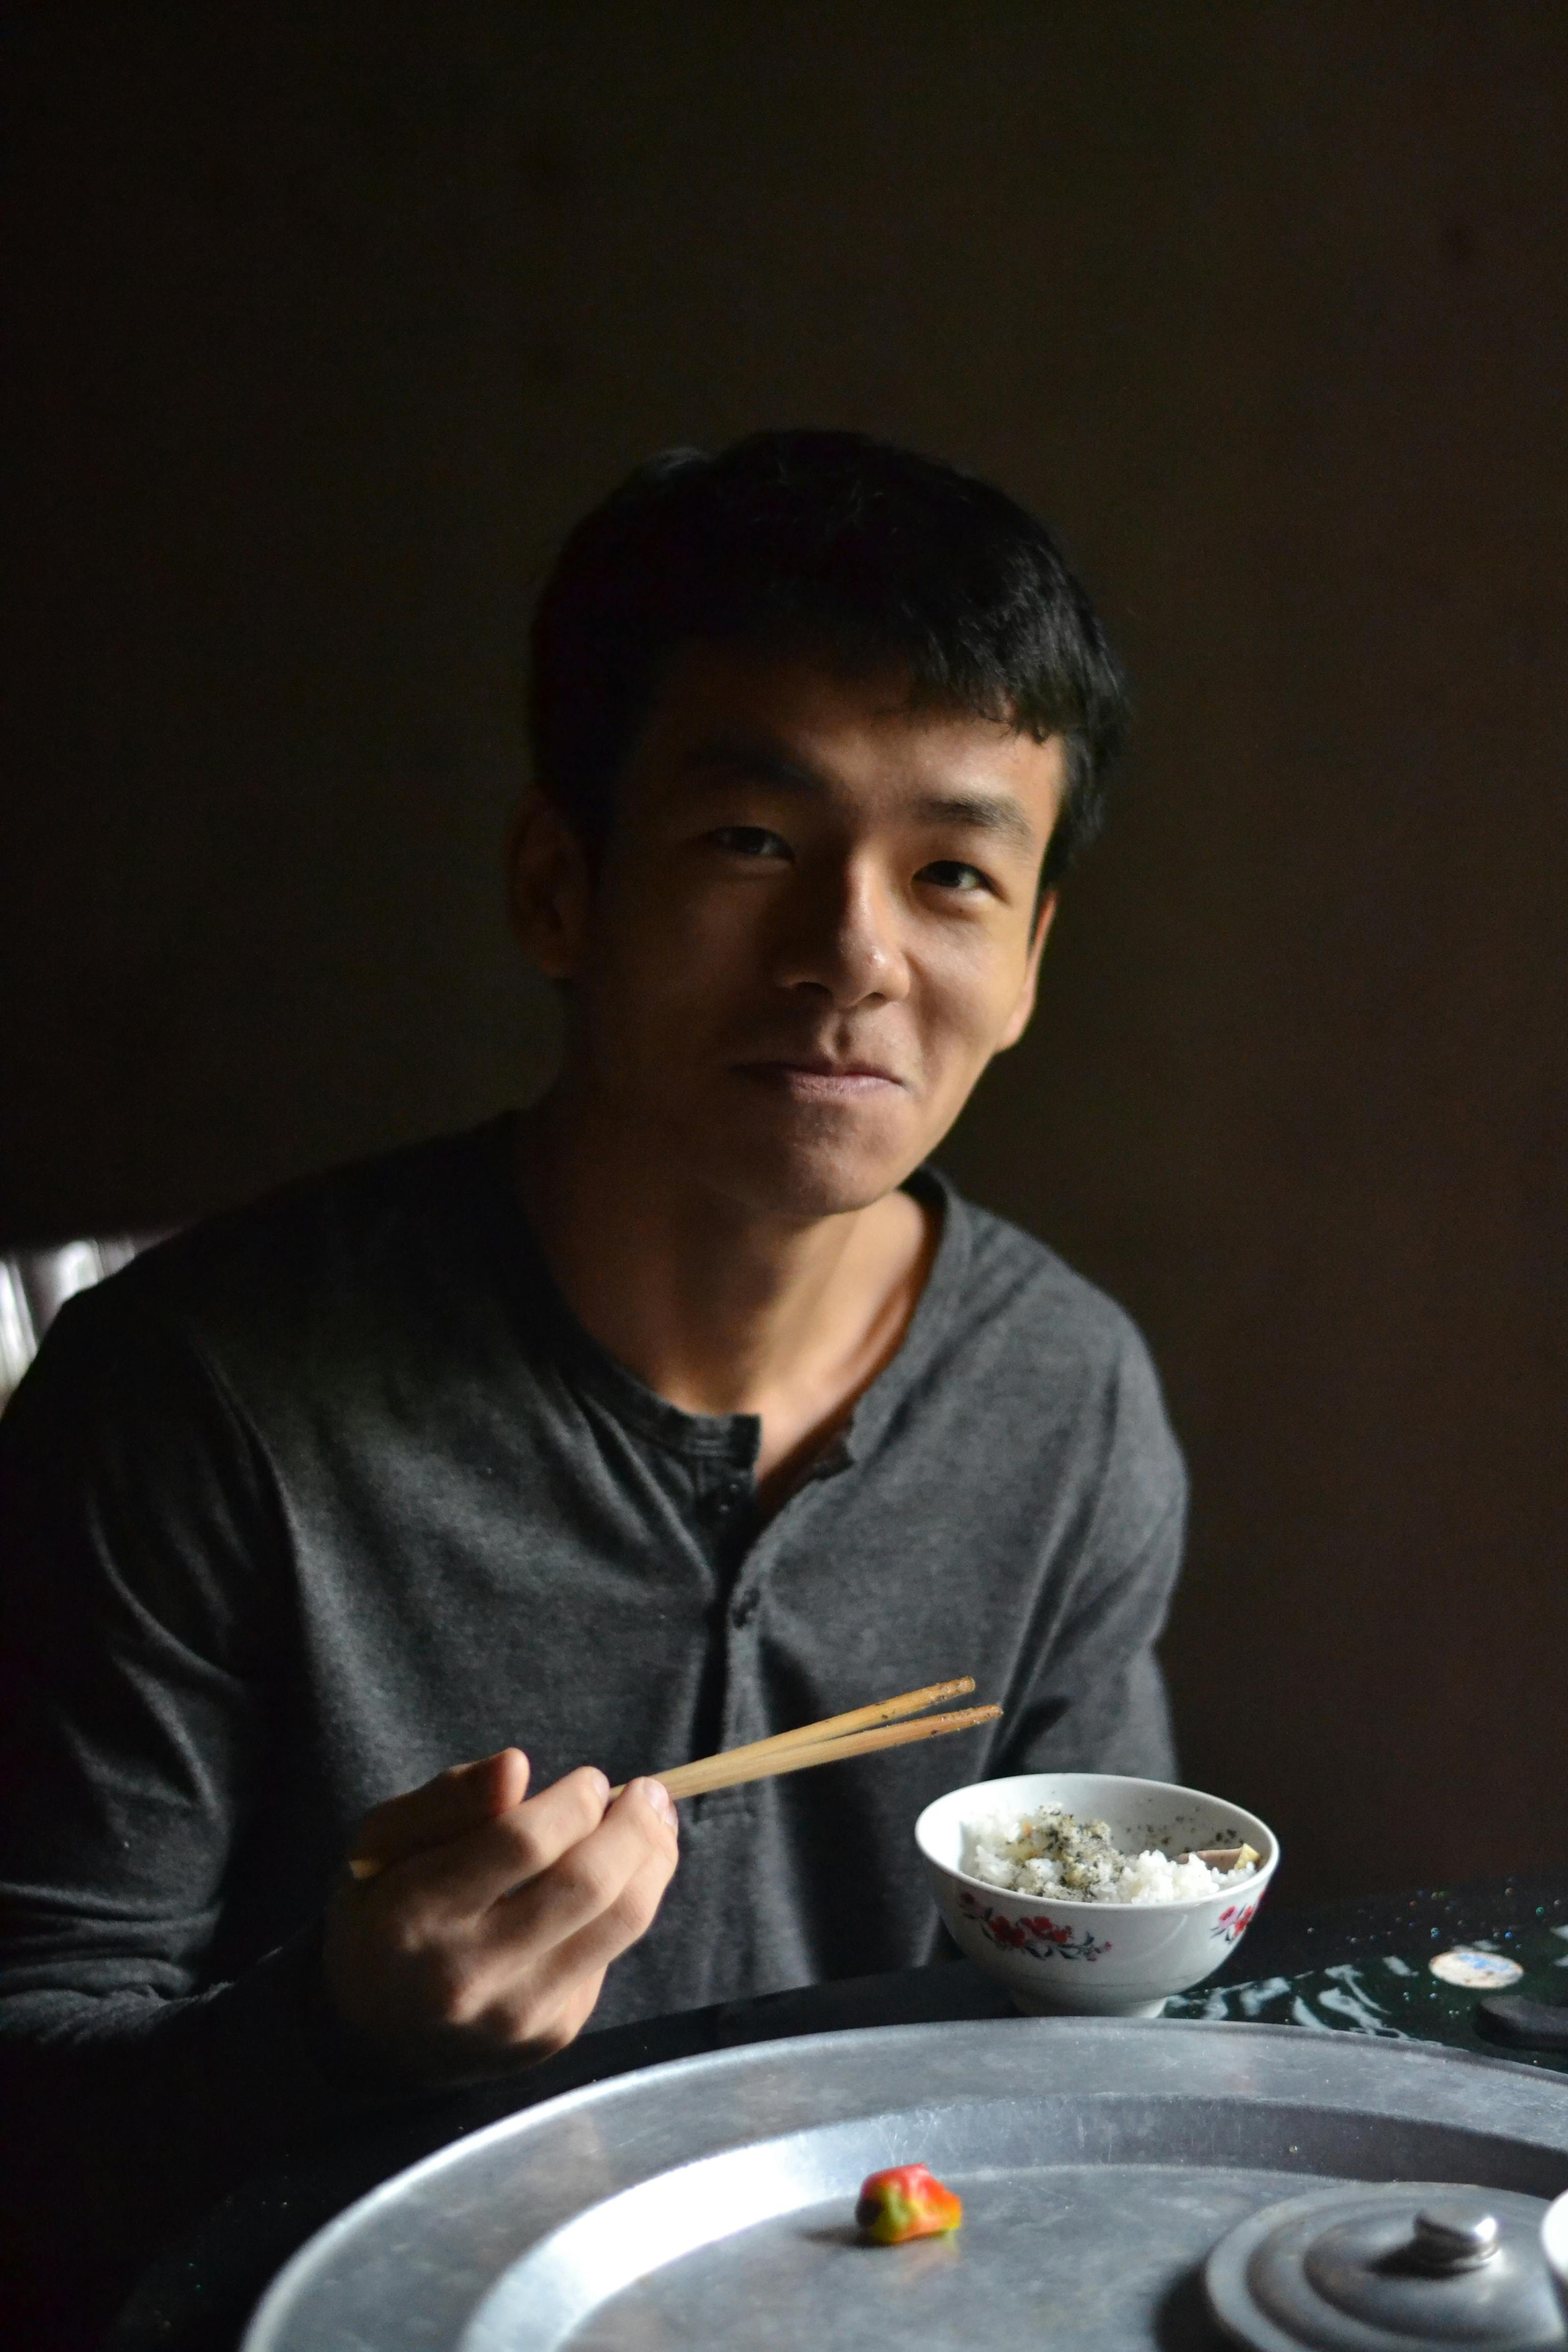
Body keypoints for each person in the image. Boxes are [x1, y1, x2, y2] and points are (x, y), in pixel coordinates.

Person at [0, 431, 1185, 2336]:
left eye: (955, 872)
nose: (852, 957)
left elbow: (1078, 2016)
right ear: (561, 887)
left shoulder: (1067, 1395)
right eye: (753, 842)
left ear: (1033, 956)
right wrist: (339, 2028)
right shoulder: (199, 1396)